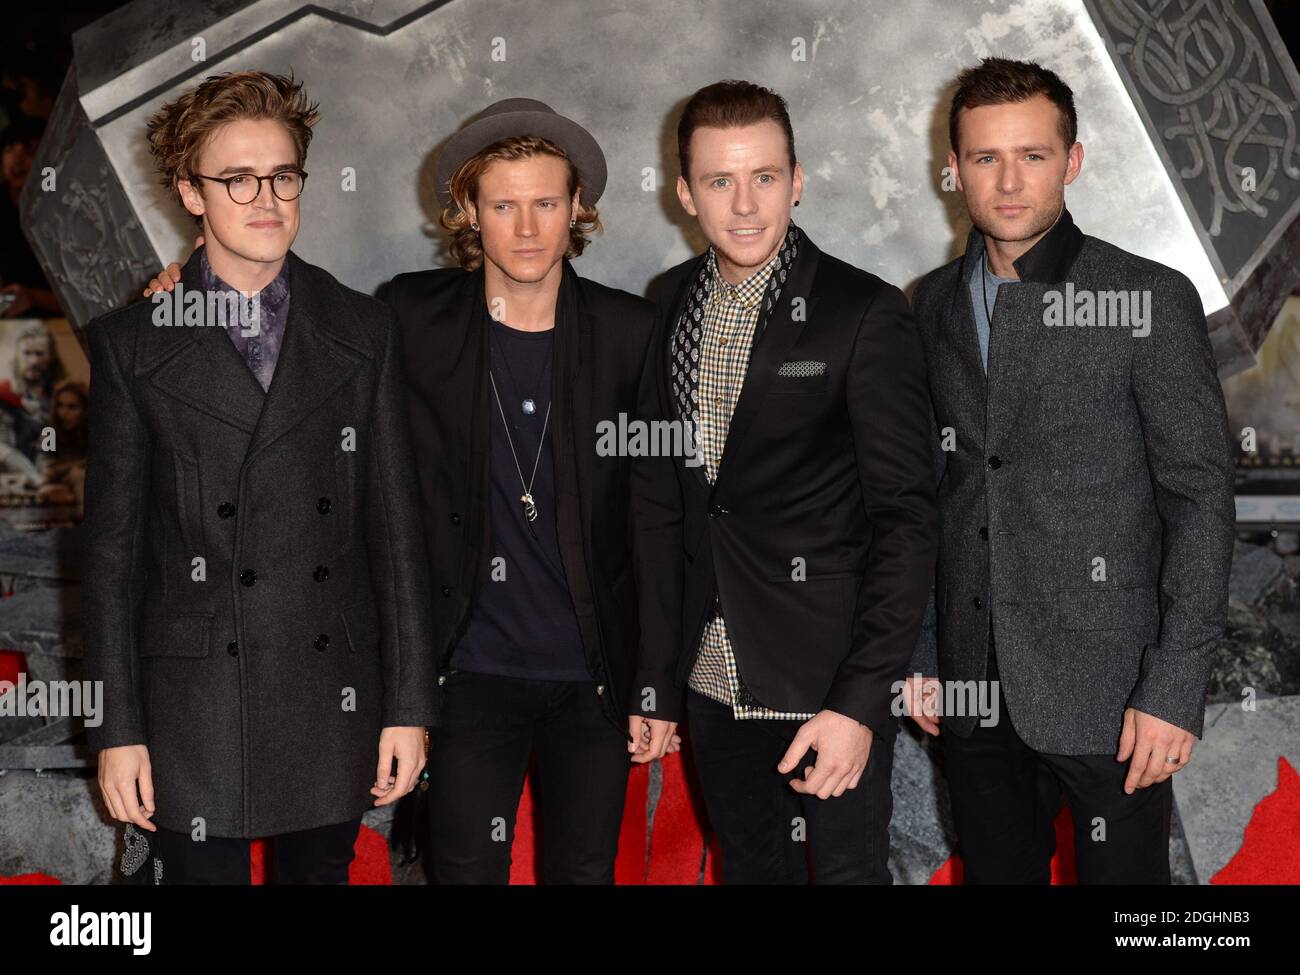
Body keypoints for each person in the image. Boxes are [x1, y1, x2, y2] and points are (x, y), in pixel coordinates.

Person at [82, 70, 436, 884]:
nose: (265, 197)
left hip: (328, 698)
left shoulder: (362, 327)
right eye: (236, 179)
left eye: (282, 175)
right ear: (190, 193)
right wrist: (116, 729)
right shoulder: (132, 344)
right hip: (192, 709)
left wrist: (410, 706)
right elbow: (110, 561)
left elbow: (397, 535)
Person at [902, 58, 1235, 884]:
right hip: (973, 690)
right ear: (954, 169)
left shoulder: (1148, 297)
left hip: (1114, 694)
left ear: (1073, 160)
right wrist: (922, 651)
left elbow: (1199, 497)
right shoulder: (930, 304)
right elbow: (927, 495)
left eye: (1034, 155)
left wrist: (1174, 685)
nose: (1009, 181)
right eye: (984, 158)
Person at [648, 80, 938, 883]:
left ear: (797, 179)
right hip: (710, 673)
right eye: (719, 181)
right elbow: (674, 506)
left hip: (826, 678)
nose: (745, 205)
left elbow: (908, 519)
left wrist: (859, 703)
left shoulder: (863, 312)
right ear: (685, 193)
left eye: (765, 177)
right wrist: (657, 680)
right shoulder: (666, 303)